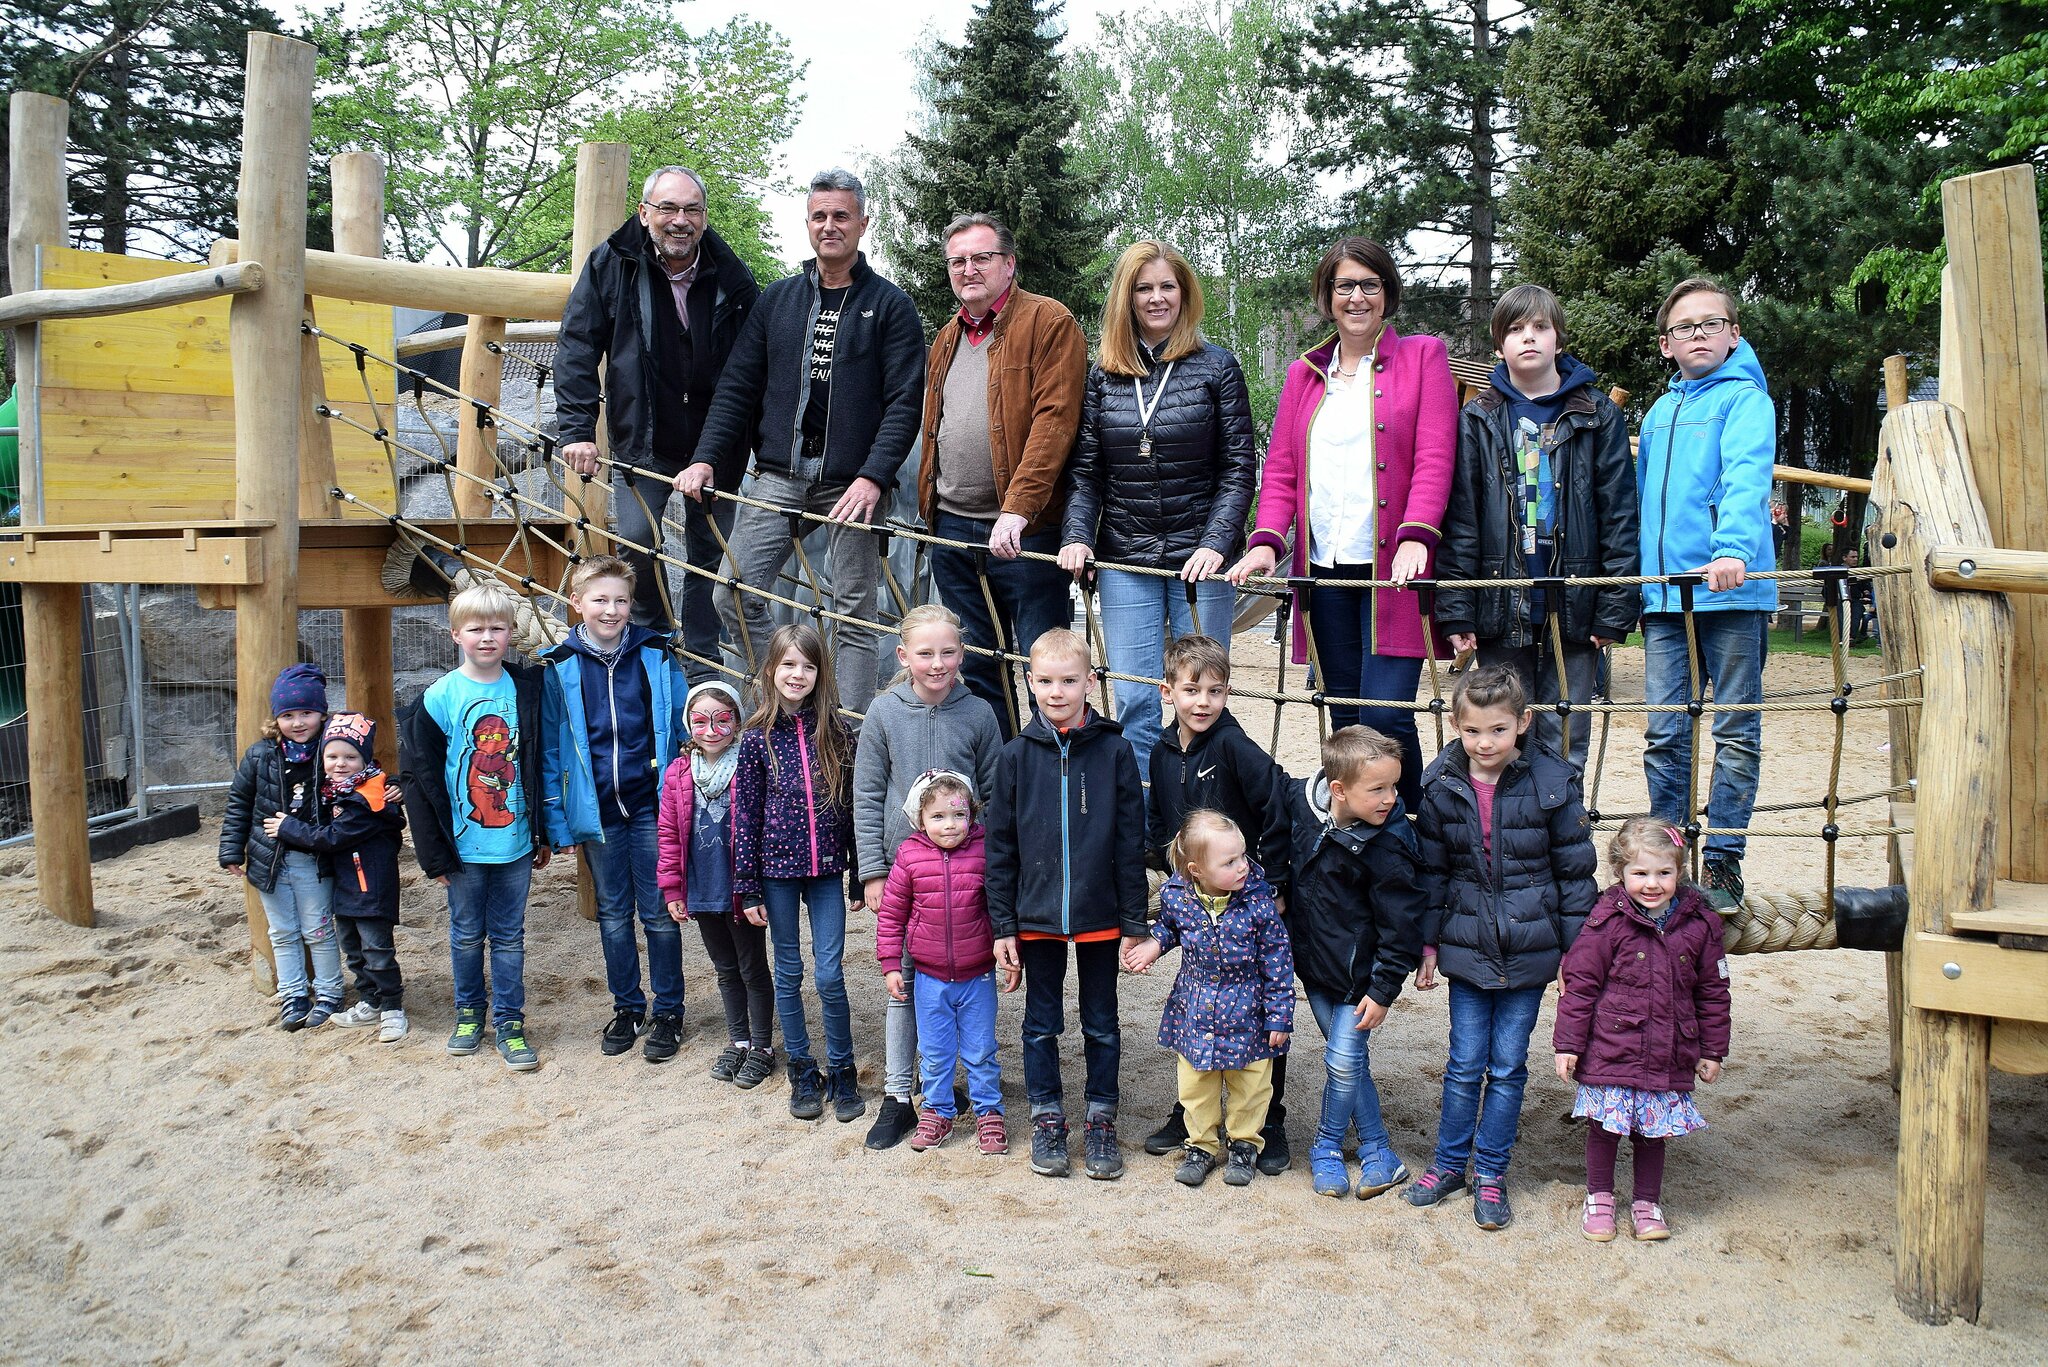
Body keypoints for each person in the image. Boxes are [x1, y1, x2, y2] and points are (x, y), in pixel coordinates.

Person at [678, 168, 925, 716]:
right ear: (807, 224)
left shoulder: (891, 307)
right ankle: (791, 701)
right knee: (733, 591)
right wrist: (706, 458)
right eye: (819, 216)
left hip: (853, 482)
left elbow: (905, 402)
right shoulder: (779, 301)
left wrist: (874, 476)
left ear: (863, 223)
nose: (829, 226)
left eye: (841, 216)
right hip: (780, 473)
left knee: (853, 612)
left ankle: (847, 732)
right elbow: (738, 386)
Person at [1228, 237, 1458, 809]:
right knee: (1345, 721)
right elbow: (1282, 470)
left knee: (1386, 719)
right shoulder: (1303, 374)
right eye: (1344, 286)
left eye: (1369, 285)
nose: (1357, 297)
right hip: (1323, 571)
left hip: (1394, 572)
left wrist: (1417, 536)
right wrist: (1265, 541)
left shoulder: (1425, 357)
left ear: (1387, 293)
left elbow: (1435, 456)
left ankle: (1410, 829)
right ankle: (1357, 835)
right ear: (1328, 296)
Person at [1405, 664, 1598, 1230]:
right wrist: (1429, 944)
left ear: (1523, 723)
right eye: (1472, 731)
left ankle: (1490, 1171)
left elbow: (1575, 875)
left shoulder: (1553, 783)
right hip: (1467, 944)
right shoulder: (1442, 785)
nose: (1484, 743)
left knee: (1509, 1066)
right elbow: (1433, 871)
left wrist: (1573, 952)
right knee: (1464, 1063)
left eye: (1497, 730)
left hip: (1531, 945)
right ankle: (1448, 1165)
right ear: (1455, 726)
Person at [1059, 240, 1257, 772]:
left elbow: (1239, 468)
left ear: (1184, 293)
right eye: (1143, 288)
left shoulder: (1217, 367)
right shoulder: (1103, 375)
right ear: (1126, 298)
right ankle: (1145, 810)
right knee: (1135, 698)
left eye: (1167, 286)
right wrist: (1077, 535)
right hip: (1127, 559)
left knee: (1201, 697)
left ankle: (1203, 805)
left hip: (1202, 563)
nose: (1156, 298)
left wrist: (1216, 544)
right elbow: (1087, 472)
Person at [555, 166, 760, 665]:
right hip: (643, 438)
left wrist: (758, 443)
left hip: (715, 443)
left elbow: (756, 362)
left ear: (704, 217)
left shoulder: (730, 275)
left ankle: (700, 659)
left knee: (710, 554)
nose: (680, 220)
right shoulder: (613, 264)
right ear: (645, 213)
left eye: (691, 209)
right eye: (668, 208)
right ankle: (655, 643)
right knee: (637, 540)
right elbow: (578, 344)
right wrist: (578, 429)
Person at [1438, 284, 1637, 772]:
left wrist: (1614, 605)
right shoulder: (1478, 418)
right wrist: (1457, 608)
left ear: (1558, 339)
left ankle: (1563, 818)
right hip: (1500, 599)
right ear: (1498, 346)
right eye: (1515, 329)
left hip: (1576, 600)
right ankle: (1508, 820)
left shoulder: (1597, 414)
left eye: (1540, 327)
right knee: (1501, 733)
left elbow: (1619, 514)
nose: (1528, 337)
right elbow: (1461, 518)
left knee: (1567, 732)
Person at [984, 628, 1149, 1181]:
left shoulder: (1115, 750)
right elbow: (1000, 847)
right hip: (1037, 914)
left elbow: (1130, 841)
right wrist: (1003, 924)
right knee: (1040, 1021)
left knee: (1101, 1021)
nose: (1057, 692)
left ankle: (1101, 1116)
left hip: (1100, 911)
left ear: (1090, 683)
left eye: (1070, 681)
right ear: (1030, 682)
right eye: (1047, 681)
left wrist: (1133, 919)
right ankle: (1047, 1115)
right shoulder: (1014, 756)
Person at [1637, 276, 1777, 911]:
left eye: (1710, 323)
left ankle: (1722, 859)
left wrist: (1733, 549)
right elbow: (1644, 502)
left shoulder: (1745, 401)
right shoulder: (1658, 414)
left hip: (1731, 590)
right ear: (1666, 344)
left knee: (1735, 728)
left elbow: (1746, 474)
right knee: (1664, 731)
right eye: (1683, 327)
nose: (1697, 334)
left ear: (1733, 335)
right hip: (1668, 598)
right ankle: (1664, 859)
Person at [919, 213, 1088, 735]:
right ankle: (1001, 777)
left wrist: (1017, 508)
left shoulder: (1048, 322)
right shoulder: (946, 337)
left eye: (981, 258)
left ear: (1009, 264)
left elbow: (1055, 422)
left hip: (1024, 531)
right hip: (952, 529)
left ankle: (1054, 773)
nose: (968, 269)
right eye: (957, 261)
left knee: (1048, 670)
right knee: (977, 670)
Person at [852, 603, 1005, 1150]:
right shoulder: (884, 713)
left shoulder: (979, 713)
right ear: (903, 656)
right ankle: (899, 1096)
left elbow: (995, 794)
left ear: (961, 654)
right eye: (925, 653)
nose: (937, 663)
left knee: (963, 981)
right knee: (904, 986)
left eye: (947, 652)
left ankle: (959, 1092)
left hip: (965, 876)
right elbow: (868, 792)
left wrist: (990, 868)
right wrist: (872, 869)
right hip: (905, 870)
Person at [1139, 633, 1293, 1171]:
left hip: (1246, 895)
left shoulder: (1233, 746)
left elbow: (1278, 800)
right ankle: (1192, 1118)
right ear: (1168, 692)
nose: (1203, 702)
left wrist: (1275, 882)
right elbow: (1158, 819)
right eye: (1191, 690)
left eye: (1215, 691)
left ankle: (1267, 1121)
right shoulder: (1161, 752)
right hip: (1198, 894)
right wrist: (1167, 872)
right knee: (1202, 1003)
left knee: (1260, 1002)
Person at [540, 555, 688, 1063]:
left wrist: (680, 794)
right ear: (576, 603)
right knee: (613, 913)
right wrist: (558, 819)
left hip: (650, 802)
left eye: (620, 600)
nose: (611, 610)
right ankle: (628, 1006)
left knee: (660, 911)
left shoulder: (656, 653)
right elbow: (552, 748)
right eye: (599, 600)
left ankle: (668, 1010)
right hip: (597, 806)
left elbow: (681, 724)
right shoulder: (559, 665)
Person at [402, 581, 554, 1072]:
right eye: (476, 629)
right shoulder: (440, 696)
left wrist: (543, 833)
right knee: (466, 933)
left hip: (515, 843)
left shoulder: (527, 689)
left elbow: (539, 763)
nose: (487, 637)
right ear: (455, 635)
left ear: (511, 633)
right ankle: (469, 1014)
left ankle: (510, 1021)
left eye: (497, 628)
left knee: (509, 935)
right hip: (463, 847)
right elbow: (418, 778)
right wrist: (434, 854)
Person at [1555, 818, 1731, 1242]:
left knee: (1653, 1133)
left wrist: (1712, 1050)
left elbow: (1713, 991)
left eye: (1664, 873)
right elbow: (1581, 985)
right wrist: (1568, 1045)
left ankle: (1646, 1202)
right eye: (1640, 873)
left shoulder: (1700, 924)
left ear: (1679, 872)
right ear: (1621, 873)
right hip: (1611, 1045)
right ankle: (1599, 1197)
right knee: (1605, 1127)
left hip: (1667, 1049)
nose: (1652, 884)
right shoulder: (1606, 921)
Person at [1283, 726, 1426, 1199]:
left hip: (1360, 979)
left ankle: (1325, 1147)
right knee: (1349, 1063)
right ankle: (1379, 1151)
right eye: (1378, 789)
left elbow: (1401, 926)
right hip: (1316, 967)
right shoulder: (1303, 806)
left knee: (1343, 1062)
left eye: (1394, 786)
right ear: (1338, 791)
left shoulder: (1390, 844)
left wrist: (1383, 990)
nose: (1391, 799)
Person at [732, 623, 863, 1124]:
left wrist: (856, 872)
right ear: (771, 670)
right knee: (788, 972)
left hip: (826, 870)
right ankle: (803, 1070)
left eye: (808, 666)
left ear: (820, 673)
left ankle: (842, 1069)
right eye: (788, 664)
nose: (797, 674)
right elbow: (745, 815)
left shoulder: (838, 733)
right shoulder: (756, 739)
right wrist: (747, 886)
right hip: (776, 873)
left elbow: (850, 807)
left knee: (830, 973)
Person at [1124, 812, 1293, 1189]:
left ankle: (1244, 1144)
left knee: (1251, 1085)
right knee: (1196, 1085)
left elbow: (1278, 960)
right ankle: (1200, 1145)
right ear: (1196, 870)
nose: (1242, 866)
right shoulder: (1177, 897)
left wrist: (1279, 1016)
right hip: (1196, 1009)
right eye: (1229, 862)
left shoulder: (1258, 903)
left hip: (1248, 1011)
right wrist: (1154, 945)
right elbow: (1170, 927)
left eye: (1243, 856)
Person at [875, 771, 1012, 1156]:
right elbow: (892, 915)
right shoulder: (909, 855)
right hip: (929, 977)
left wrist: (1011, 955)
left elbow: (1002, 907)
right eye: (938, 816)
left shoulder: (985, 851)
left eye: (958, 815)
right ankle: (937, 1110)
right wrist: (890, 963)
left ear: (972, 815)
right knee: (935, 1053)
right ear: (920, 820)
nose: (949, 825)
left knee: (981, 1050)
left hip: (977, 975)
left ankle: (988, 1112)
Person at [657, 680, 778, 1090]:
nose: (710, 730)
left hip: (740, 888)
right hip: (702, 886)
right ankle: (738, 1039)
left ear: (738, 722)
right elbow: (668, 835)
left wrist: (757, 886)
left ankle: (762, 1045)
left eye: (722, 719)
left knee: (751, 966)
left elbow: (763, 828)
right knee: (725, 968)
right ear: (688, 724)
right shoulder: (678, 773)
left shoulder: (750, 765)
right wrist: (673, 889)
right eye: (700, 721)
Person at [264, 712, 409, 1044]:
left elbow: (332, 837)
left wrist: (288, 828)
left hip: (371, 889)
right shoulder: (335, 790)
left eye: (350, 757)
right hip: (346, 887)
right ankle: (370, 1001)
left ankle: (392, 1008)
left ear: (365, 760)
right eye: (332, 756)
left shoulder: (367, 798)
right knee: (353, 950)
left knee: (377, 951)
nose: (340, 764)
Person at [220, 663, 344, 1030]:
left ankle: (329, 992)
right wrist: (231, 850)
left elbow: (365, 776)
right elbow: (239, 803)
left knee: (318, 929)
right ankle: (293, 994)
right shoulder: (260, 755)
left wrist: (394, 785)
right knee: (283, 931)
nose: (298, 722)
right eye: (288, 715)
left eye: (306, 713)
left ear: (321, 713)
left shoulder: (332, 752)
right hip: (269, 858)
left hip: (314, 859)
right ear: (276, 718)